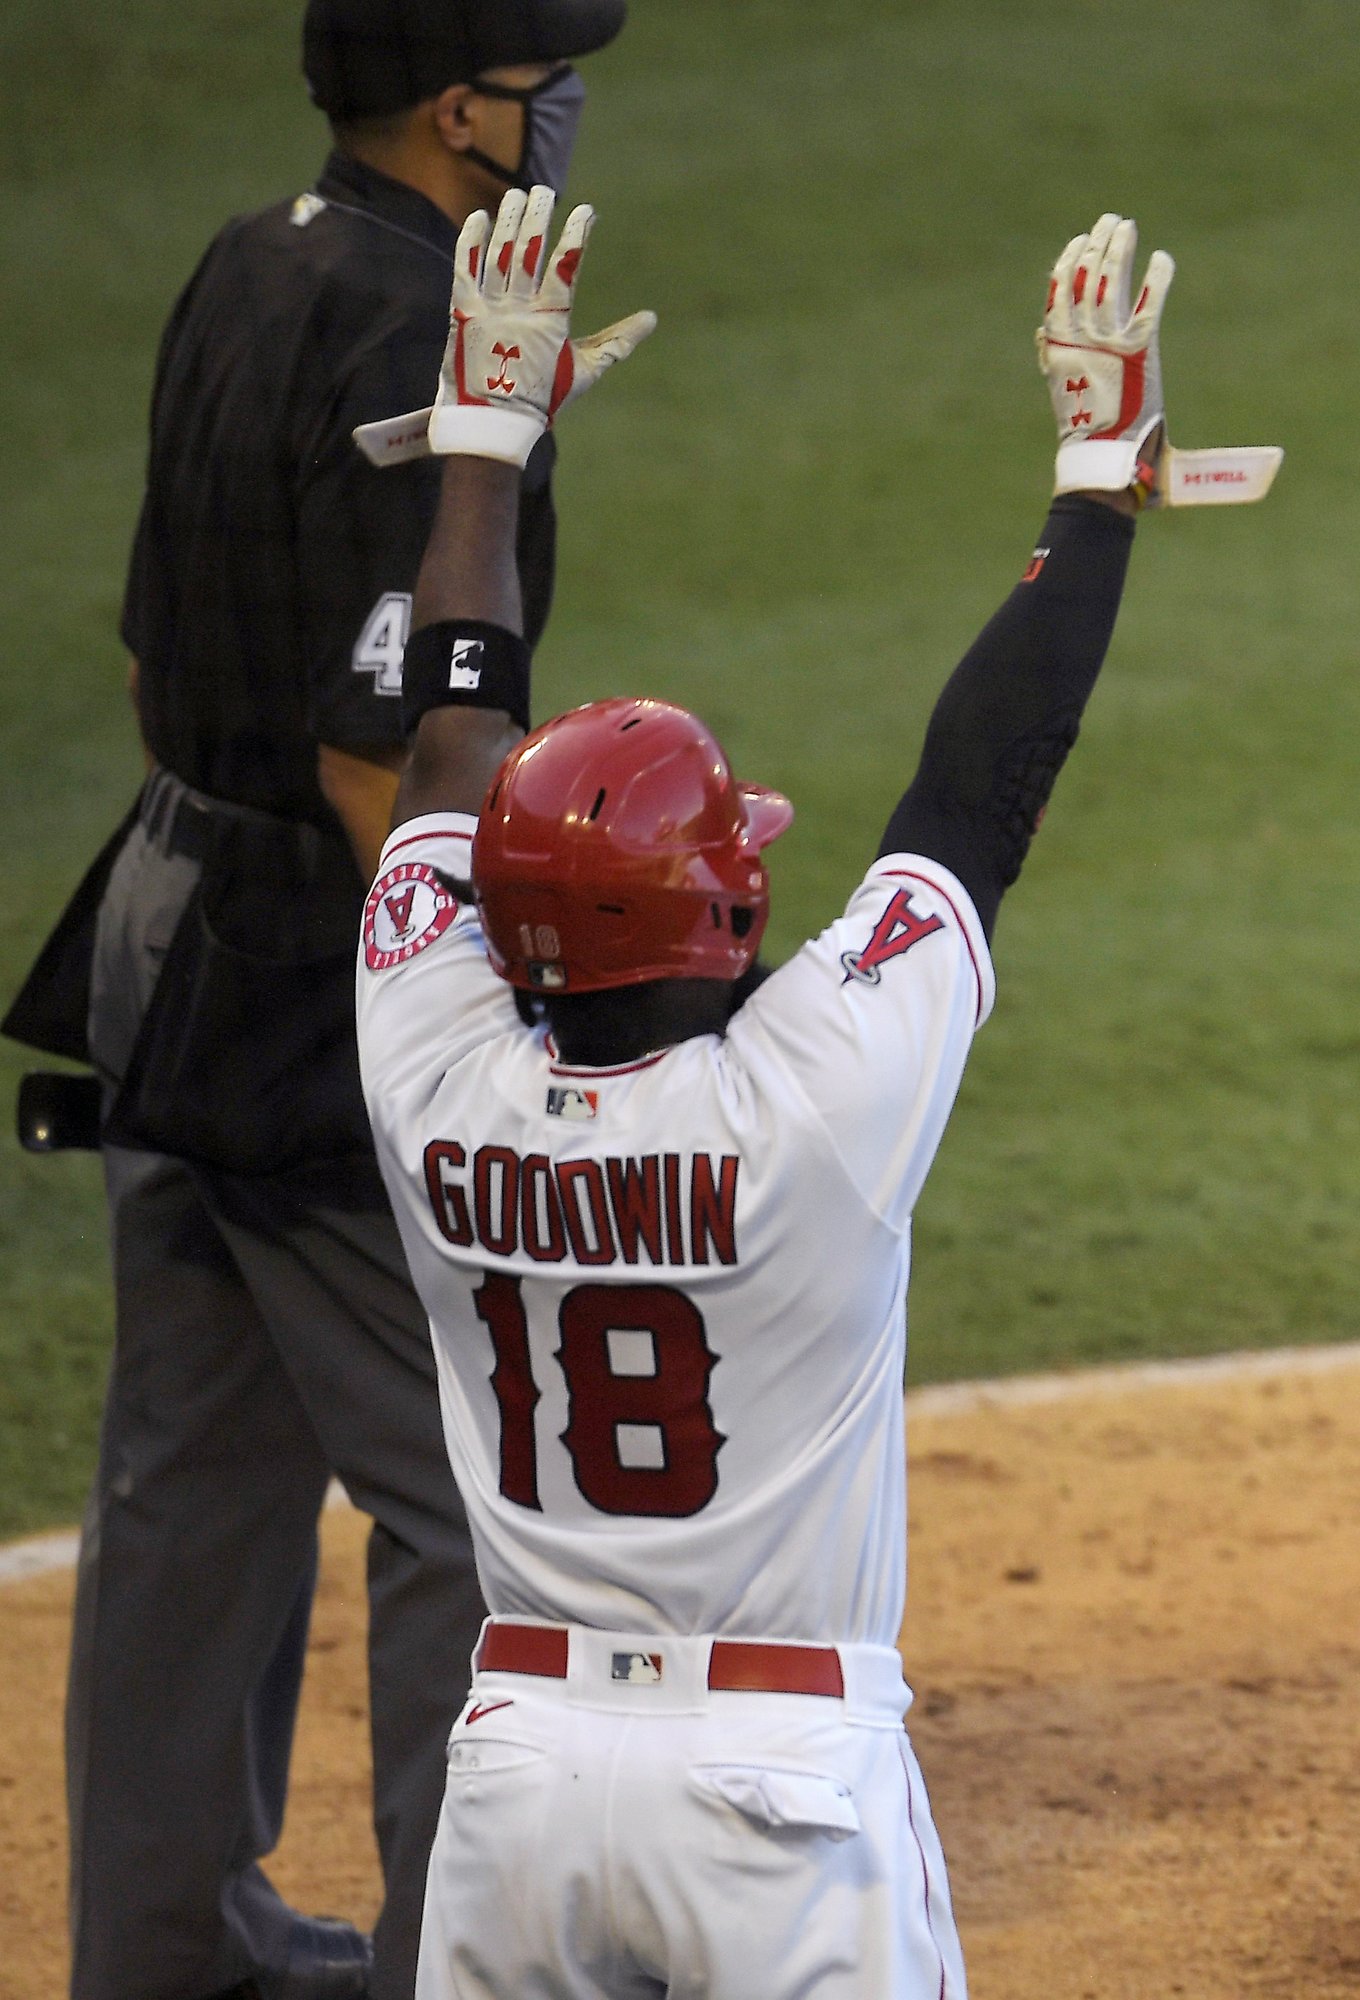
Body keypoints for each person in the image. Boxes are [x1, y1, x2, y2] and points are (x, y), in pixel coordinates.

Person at [351, 194, 1249, 1992]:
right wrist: (1095, 474)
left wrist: (482, 439)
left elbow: (449, 736)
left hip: (515, 1777)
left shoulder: (425, 1064)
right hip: (775, 1791)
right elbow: (978, 791)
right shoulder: (812, 1102)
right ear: (723, 905)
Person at [1, 5, 623, 1995]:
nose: (574, 100)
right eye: (546, 72)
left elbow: (143, 639)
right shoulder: (436, 344)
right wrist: (475, 1023)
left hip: (163, 901)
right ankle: (474, 1958)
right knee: (466, 1492)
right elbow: (389, 756)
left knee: (192, 1474)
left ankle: (164, 1951)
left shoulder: (247, 257)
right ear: (462, 107)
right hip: (315, 965)